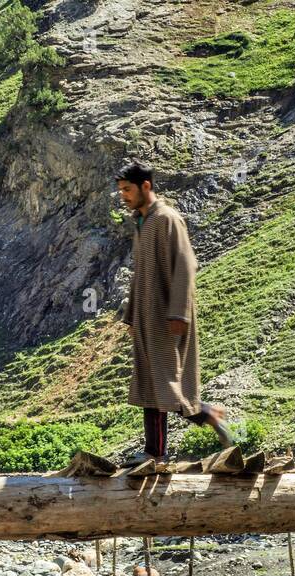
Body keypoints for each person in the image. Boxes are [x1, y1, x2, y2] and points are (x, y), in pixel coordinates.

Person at [115, 160, 232, 465]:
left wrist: (179, 313)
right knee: (152, 382)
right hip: (147, 317)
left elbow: (185, 265)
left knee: (163, 381)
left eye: (127, 189)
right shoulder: (142, 223)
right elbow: (139, 275)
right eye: (120, 191)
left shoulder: (167, 219)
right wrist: (131, 317)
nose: (123, 196)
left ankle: (187, 428)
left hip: (167, 316)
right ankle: (166, 443)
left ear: (146, 187)